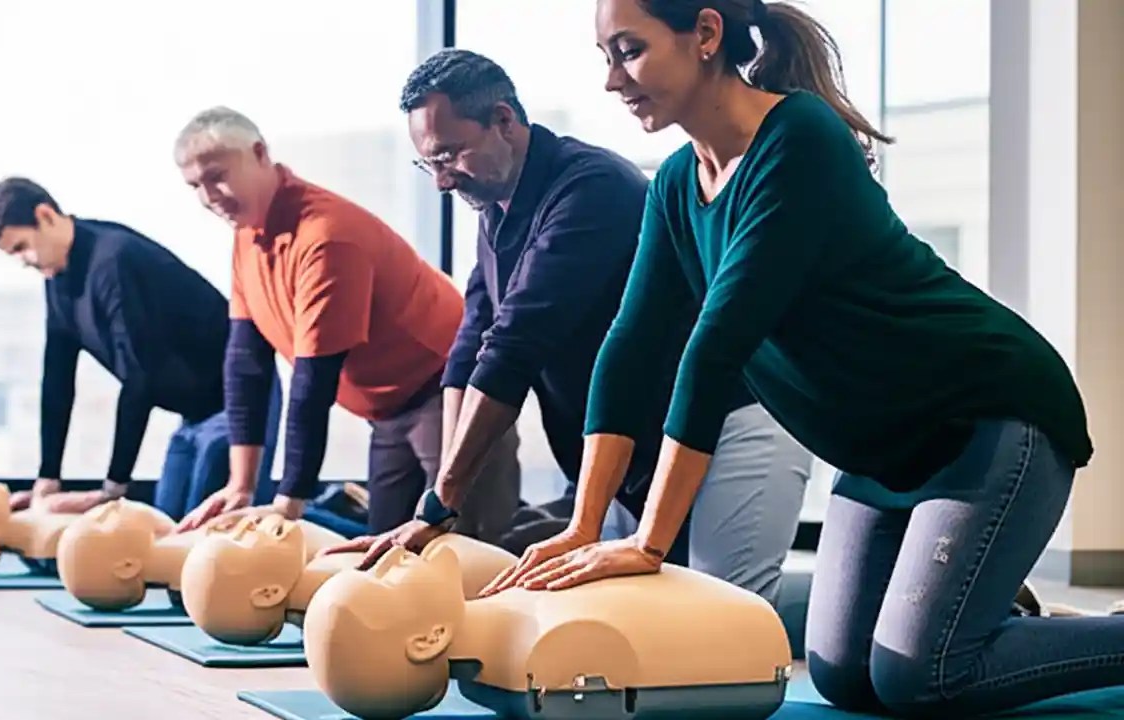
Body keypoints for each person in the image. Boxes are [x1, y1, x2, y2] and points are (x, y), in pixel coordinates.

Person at [482, 0, 1124, 717]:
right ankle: (997, 613)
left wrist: (649, 543)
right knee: (845, 674)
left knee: (924, 677)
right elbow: (630, 347)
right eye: (605, 56)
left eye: (628, 50)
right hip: (880, 454)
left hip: (986, 416)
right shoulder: (674, 185)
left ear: (704, 34)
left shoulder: (800, 137)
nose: (612, 80)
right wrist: (584, 524)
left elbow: (718, 344)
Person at [325, 48, 812, 608]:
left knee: (723, 622)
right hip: (632, 449)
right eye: (428, 164)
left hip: (727, 423)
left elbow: (515, 346)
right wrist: (440, 499)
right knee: (634, 621)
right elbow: (471, 346)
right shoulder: (497, 212)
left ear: (504, 121)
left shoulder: (590, 189)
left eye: (451, 155)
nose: (440, 181)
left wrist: (441, 503)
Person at [171, 107, 520, 541]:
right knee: (387, 552)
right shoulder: (248, 237)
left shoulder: (325, 236)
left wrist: (289, 502)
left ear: (259, 153)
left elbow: (313, 384)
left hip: (446, 387)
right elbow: (246, 364)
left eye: (216, 176)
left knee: (464, 542)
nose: (209, 196)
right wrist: (240, 486)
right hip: (387, 410)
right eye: (195, 186)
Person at [0, 177, 282, 519]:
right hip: (194, 414)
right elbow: (57, 381)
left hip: (242, 398)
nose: (24, 261)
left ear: (46, 216)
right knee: (166, 528)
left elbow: (140, 378)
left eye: (21, 247)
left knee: (216, 528)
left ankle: (338, 510)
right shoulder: (57, 279)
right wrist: (47, 481)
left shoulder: (112, 261)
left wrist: (112, 489)